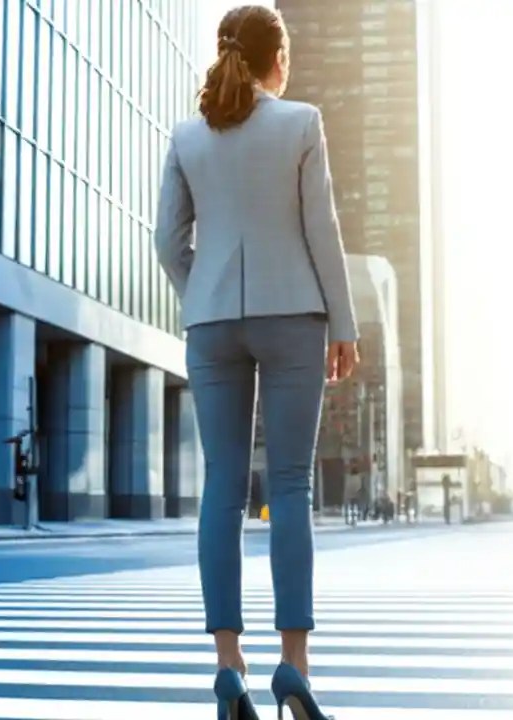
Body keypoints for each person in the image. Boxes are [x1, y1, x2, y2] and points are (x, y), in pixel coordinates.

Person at [153, 6, 358, 719]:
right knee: (292, 485)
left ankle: (228, 665)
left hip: (211, 322)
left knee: (222, 488)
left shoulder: (187, 135)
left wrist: (203, 290)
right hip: (294, 312)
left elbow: (165, 241)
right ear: (280, 59)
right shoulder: (301, 122)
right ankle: (294, 666)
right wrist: (344, 322)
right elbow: (321, 230)